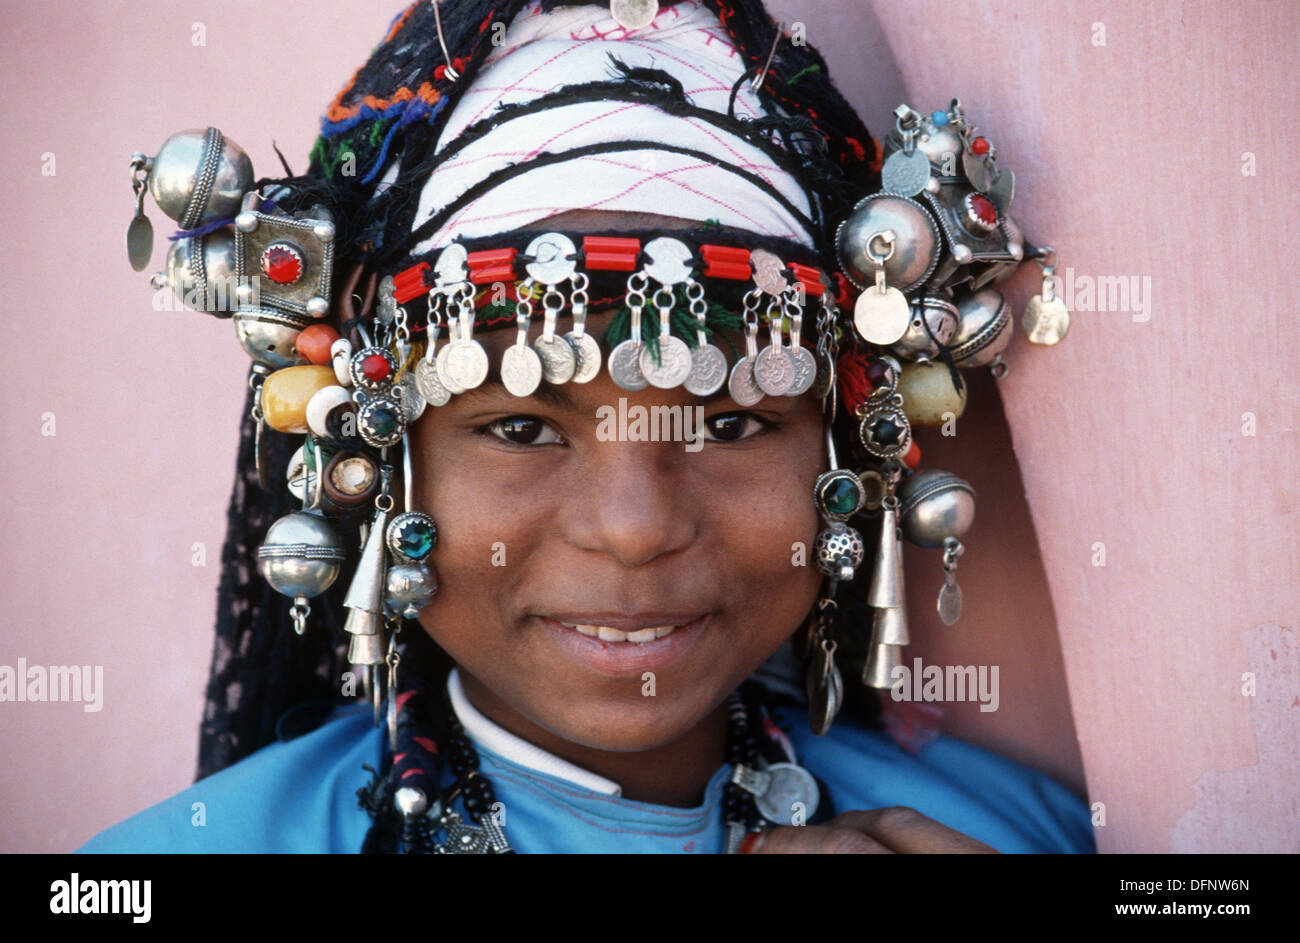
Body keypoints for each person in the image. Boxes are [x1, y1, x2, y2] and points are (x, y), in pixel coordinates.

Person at [87, 0, 1092, 854]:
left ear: (849, 450)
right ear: (376, 460)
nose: (633, 527)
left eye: (734, 422)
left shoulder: (1015, 835)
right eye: (521, 429)